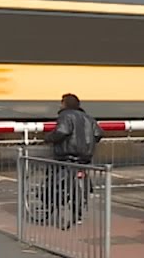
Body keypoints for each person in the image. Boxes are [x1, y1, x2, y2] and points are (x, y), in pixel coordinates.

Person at [42, 93, 104, 227]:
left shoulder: (65, 116)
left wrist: (48, 138)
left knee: (52, 176)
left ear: (64, 104)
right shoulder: (88, 118)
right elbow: (99, 133)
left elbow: (62, 131)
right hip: (85, 157)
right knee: (78, 179)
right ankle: (79, 211)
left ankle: (49, 201)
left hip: (67, 155)